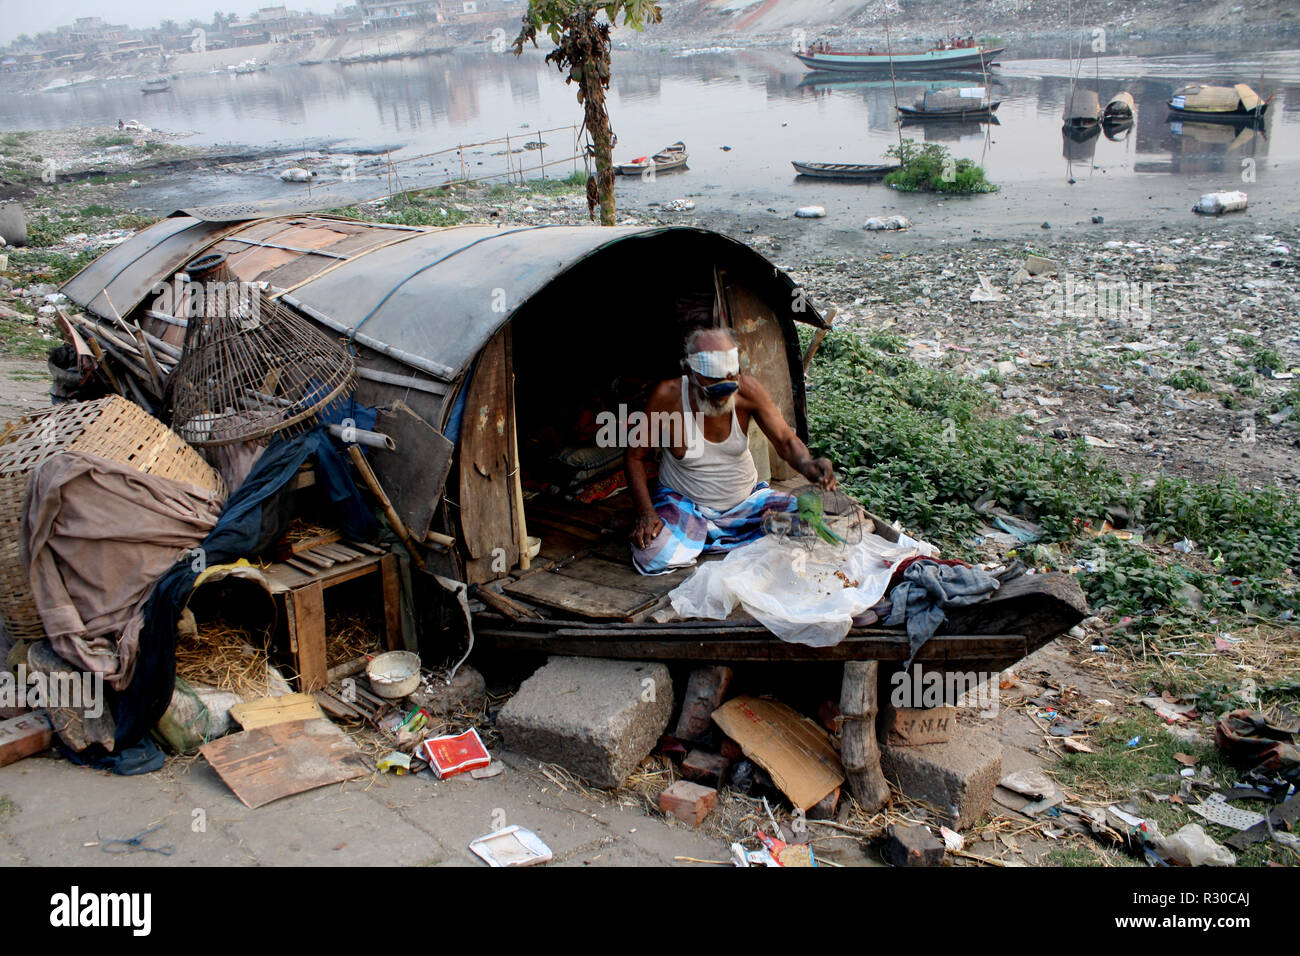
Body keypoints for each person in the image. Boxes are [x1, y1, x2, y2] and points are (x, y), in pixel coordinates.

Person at [626, 327, 837, 575]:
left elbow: (785, 441)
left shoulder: (749, 391)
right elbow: (634, 456)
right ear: (690, 372)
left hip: (747, 503)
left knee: (811, 521)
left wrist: (808, 465)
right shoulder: (667, 396)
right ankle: (731, 534)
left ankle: (709, 538)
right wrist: (646, 513)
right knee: (653, 554)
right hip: (687, 506)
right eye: (712, 386)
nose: (722, 397)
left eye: (729, 384)